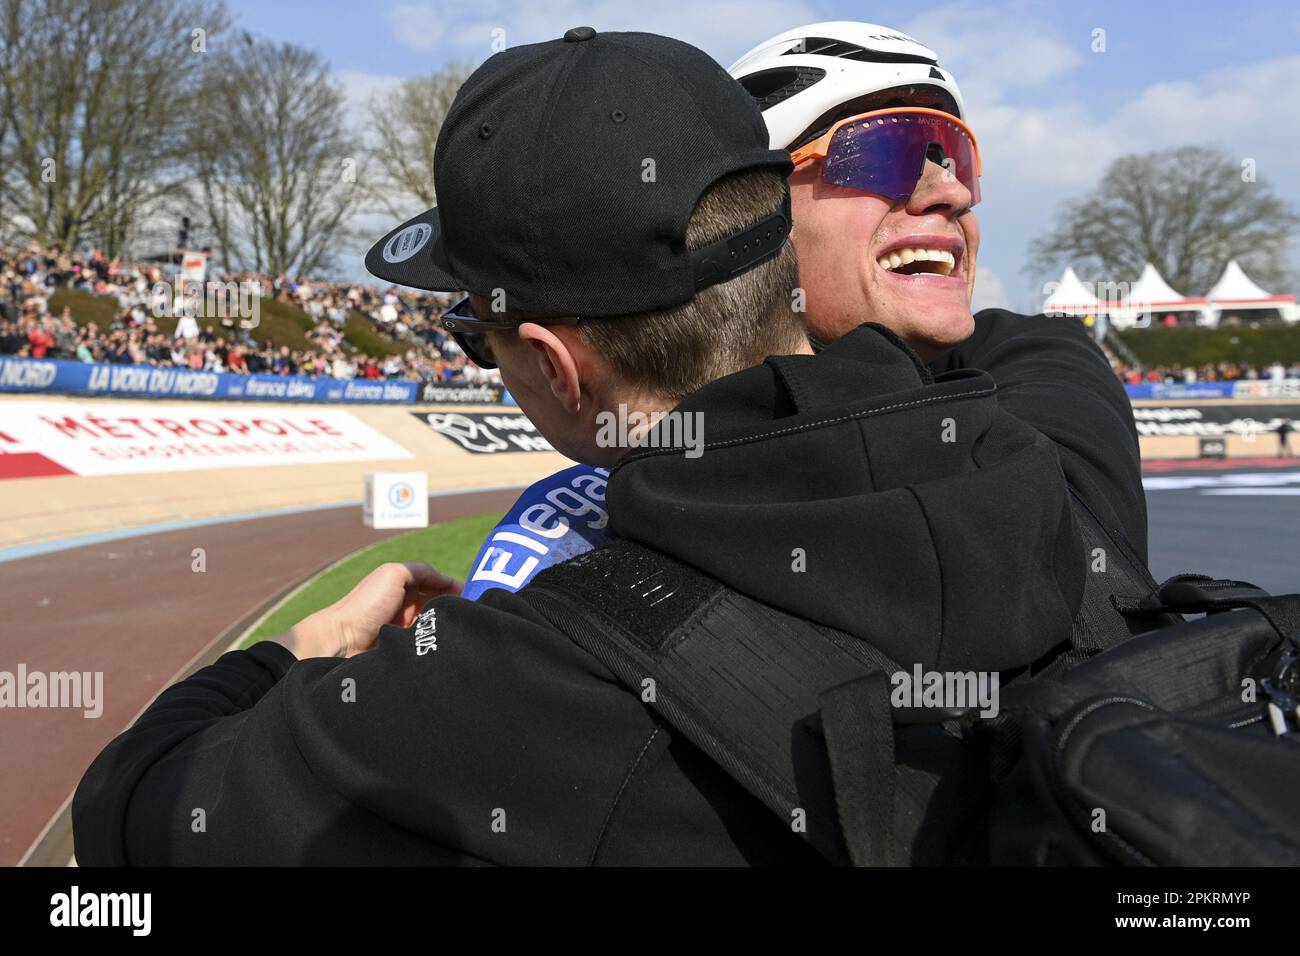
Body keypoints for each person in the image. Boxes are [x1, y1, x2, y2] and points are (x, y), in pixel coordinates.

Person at [74, 28, 1087, 866]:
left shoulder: (515, 683)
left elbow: (135, 802)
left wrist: (294, 650)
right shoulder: (1055, 450)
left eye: (480, 334)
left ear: (557, 368)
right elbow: (986, 333)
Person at [461, 20, 1148, 610]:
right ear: (764, 213)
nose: (951, 190)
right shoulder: (1047, 392)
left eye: (955, 152)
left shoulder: (1046, 360)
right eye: (888, 150)